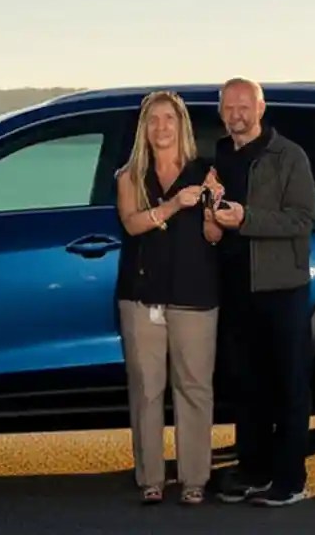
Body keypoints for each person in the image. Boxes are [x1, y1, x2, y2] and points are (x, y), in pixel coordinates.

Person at [204, 77, 315, 507]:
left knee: (288, 385)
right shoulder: (221, 155)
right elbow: (217, 217)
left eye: (244, 106)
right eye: (229, 107)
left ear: (261, 107)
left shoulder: (288, 156)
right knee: (247, 387)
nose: (236, 114)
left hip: (280, 288)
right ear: (220, 111)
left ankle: (290, 481)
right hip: (235, 289)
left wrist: (245, 218)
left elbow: (302, 219)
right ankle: (253, 472)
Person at [114, 90, 224, 506]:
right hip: (142, 297)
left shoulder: (203, 172)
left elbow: (213, 236)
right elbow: (132, 224)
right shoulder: (129, 175)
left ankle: (195, 479)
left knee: (194, 388)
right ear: (144, 128)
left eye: (169, 119)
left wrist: (212, 209)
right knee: (146, 389)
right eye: (154, 120)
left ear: (182, 125)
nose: (161, 127)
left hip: (194, 295)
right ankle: (151, 478)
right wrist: (176, 204)